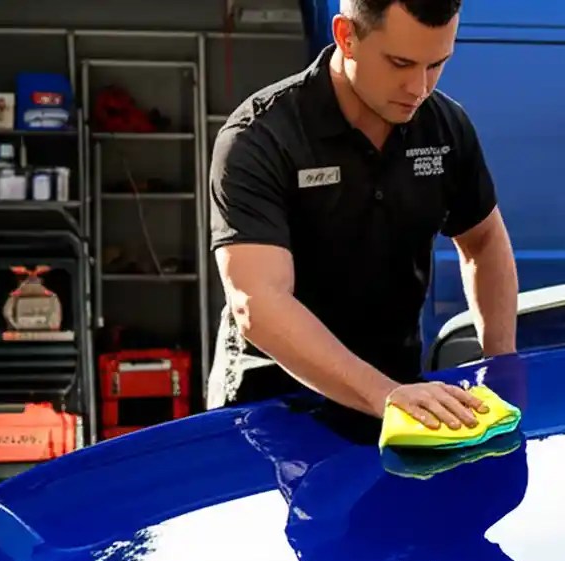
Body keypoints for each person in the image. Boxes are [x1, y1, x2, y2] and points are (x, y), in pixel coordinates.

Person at [206, 0, 519, 431]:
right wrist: (383, 395)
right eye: (400, 63)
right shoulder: (259, 139)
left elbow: (483, 242)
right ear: (345, 36)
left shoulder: (446, 128)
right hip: (274, 408)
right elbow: (258, 303)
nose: (418, 88)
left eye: (437, 65)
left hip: (402, 397)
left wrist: (500, 368)